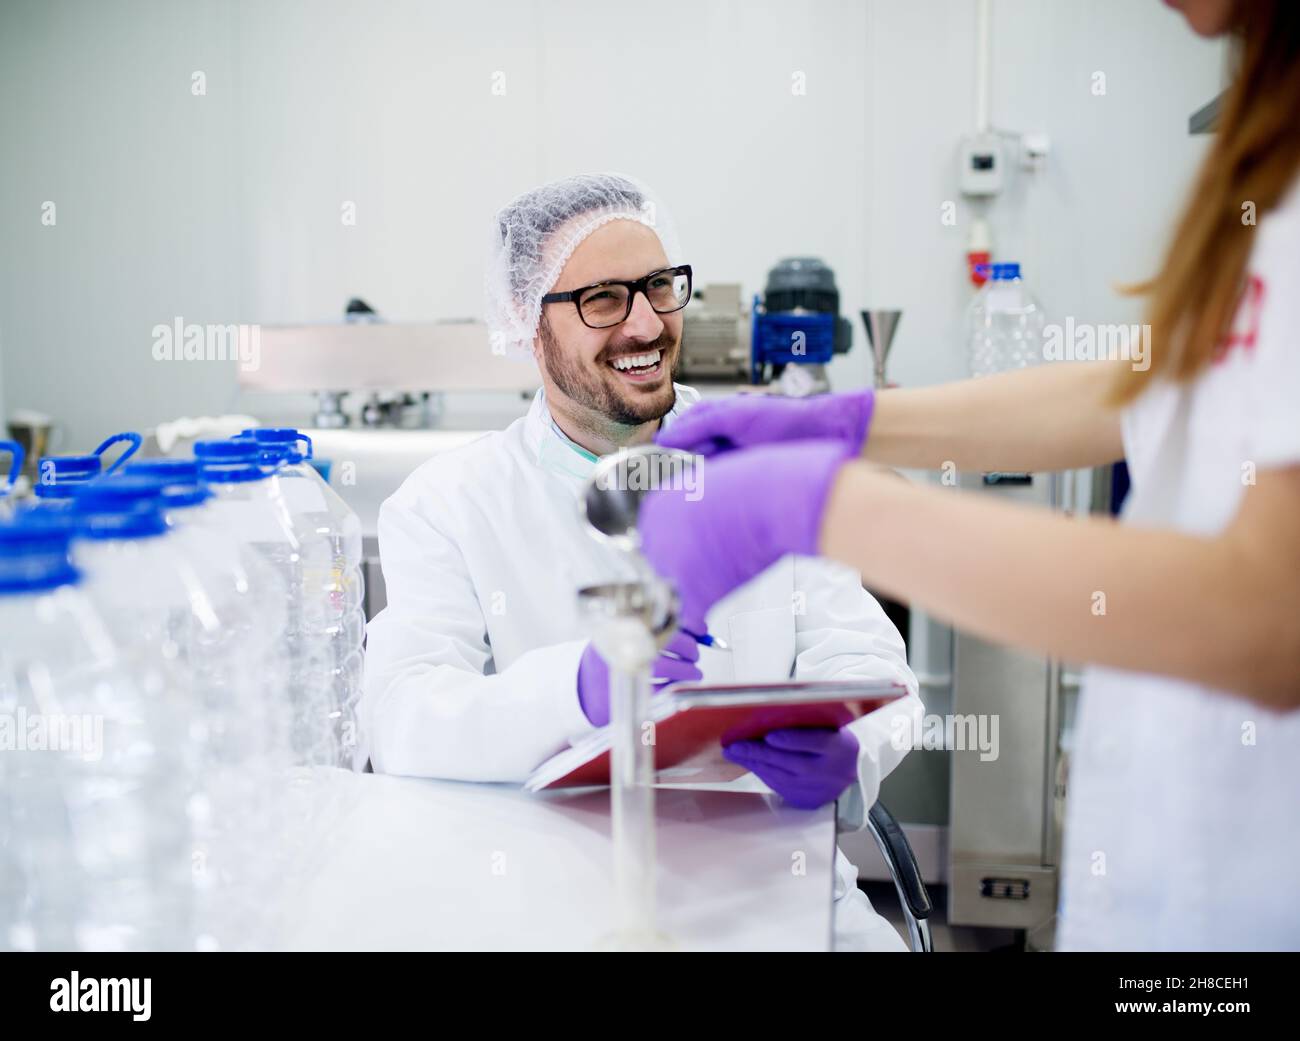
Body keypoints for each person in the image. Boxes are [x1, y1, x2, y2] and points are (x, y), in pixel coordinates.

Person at [638, 0, 1300, 951]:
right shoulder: (1265, 141)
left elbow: (1273, 617)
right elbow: (1145, 389)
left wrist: (821, 503)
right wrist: (847, 421)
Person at [361, 173, 924, 951]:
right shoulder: (450, 503)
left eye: (660, 287)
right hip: (554, 904)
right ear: (528, 323)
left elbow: (872, 665)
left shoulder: (764, 458)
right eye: (602, 299)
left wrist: (852, 754)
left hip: (781, 898)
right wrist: (579, 688)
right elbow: (399, 717)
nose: (645, 324)